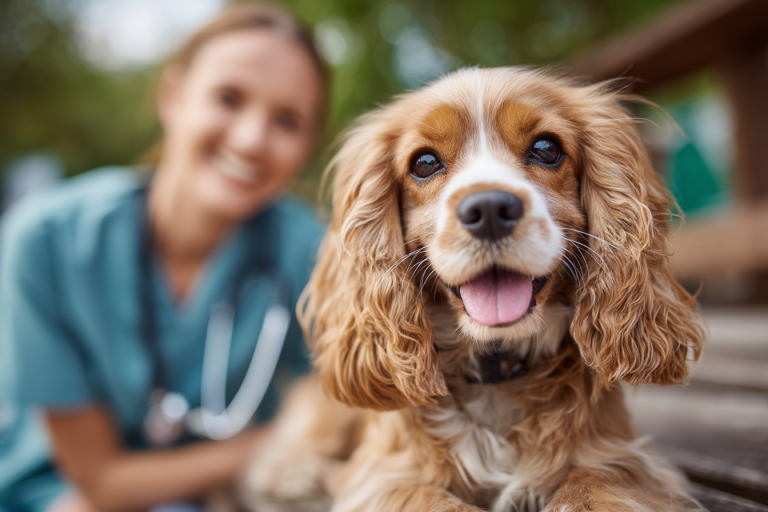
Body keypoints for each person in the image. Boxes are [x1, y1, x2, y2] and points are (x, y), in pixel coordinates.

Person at [0, 3, 327, 512]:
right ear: (173, 96)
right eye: (228, 98)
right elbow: (102, 483)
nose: (251, 140)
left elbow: (353, 403)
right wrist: (278, 442)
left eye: (287, 120)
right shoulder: (47, 240)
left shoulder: (317, 254)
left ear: (307, 145)